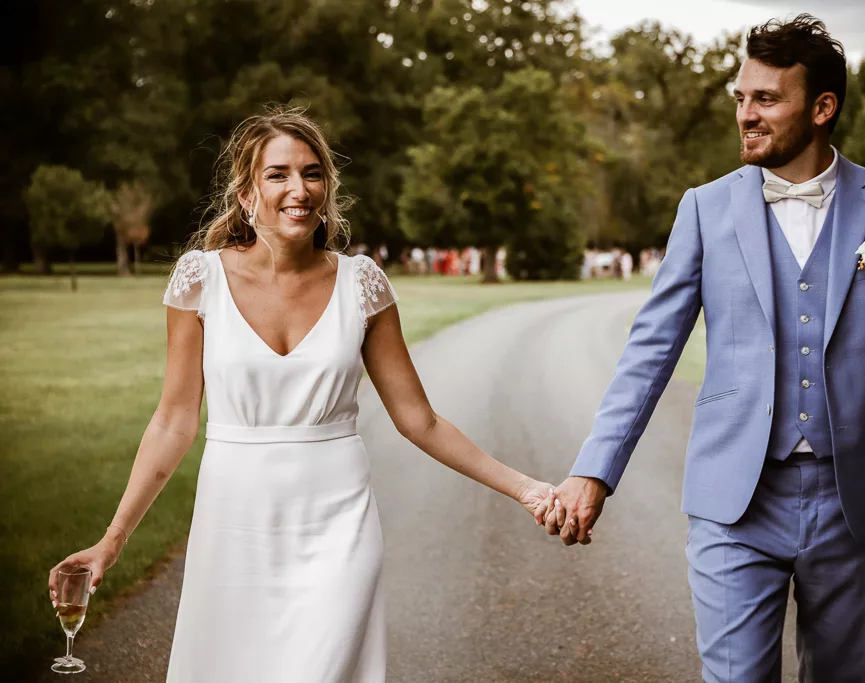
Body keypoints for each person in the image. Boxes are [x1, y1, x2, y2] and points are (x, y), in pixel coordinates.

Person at [47, 109, 554, 682]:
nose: (299, 189)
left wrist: (529, 490)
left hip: (339, 527)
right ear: (246, 193)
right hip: (232, 527)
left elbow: (421, 421)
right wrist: (112, 542)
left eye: (312, 174)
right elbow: (174, 422)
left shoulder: (362, 282)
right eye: (278, 175)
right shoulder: (199, 280)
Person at [545, 15, 865, 682]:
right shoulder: (704, 209)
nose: (746, 113)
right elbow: (650, 350)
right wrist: (595, 470)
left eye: (766, 99)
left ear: (822, 108)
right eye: (740, 98)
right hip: (733, 499)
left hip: (857, 499)